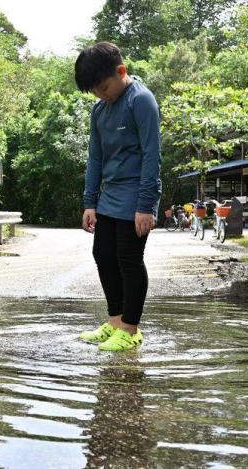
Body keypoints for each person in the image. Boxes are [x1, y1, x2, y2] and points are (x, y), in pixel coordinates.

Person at [75, 41, 161, 351]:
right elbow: (95, 158)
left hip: (136, 196)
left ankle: (131, 328)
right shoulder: (99, 110)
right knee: (103, 255)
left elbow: (152, 155)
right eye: (94, 91)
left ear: (121, 71)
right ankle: (114, 322)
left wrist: (146, 205)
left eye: (103, 87)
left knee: (129, 260)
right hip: (109, 197)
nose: (100, 94)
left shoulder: (141, 101)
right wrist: (89, 202)